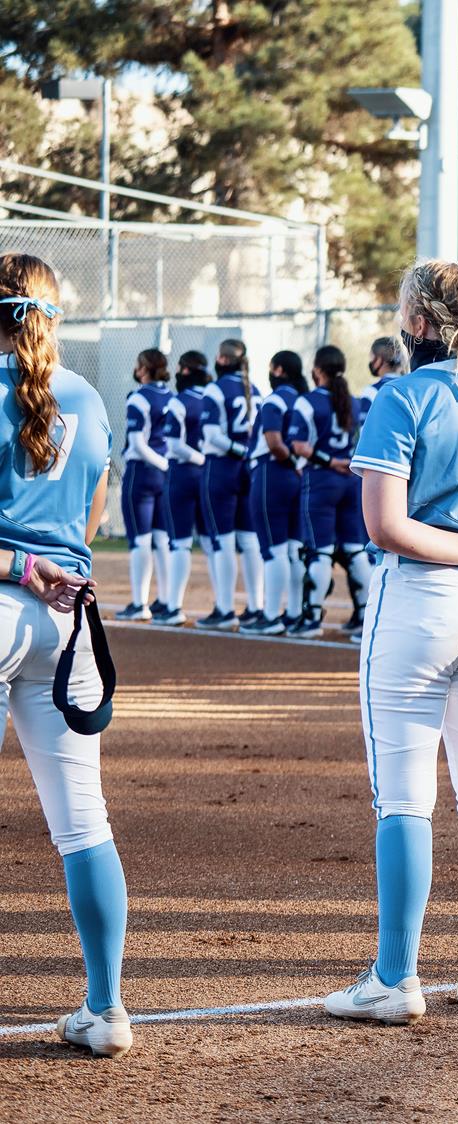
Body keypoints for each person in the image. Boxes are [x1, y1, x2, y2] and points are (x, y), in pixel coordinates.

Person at [324, 258, 458, 1024]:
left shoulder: (402, 395)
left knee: (406, 798)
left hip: (425, 596)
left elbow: (386, 526)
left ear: (418, 322)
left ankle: (395, 978)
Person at [0, 253, 129, 1056]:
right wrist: (50, 570)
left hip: (10, 601)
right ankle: (106, 1009)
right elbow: (92, 516)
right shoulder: (85, 396)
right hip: (68, 622)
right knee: (84, 827)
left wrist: (20, 566)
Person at [287, 346, 374, 638]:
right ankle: (365, 615)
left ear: (318, 370)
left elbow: (299, 446)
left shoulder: (308, 402)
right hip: (351, 480)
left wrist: (329, 460)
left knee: (319, 550)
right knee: (354, 549)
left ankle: (311, 618)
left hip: (322, 479)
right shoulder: (354, 401)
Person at [195, 339, 263, 631]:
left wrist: (239, 451)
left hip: (222, 469)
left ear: (222, 359)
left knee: (222, 540)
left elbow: (212, 437)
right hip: (249, 471)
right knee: (249, 540)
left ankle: (224, 608)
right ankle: (257, 606)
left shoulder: (214, 389)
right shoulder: (256, 389)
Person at [243, 351, 309, 635]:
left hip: (272, 473)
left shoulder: (275, 399)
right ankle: (293, 612)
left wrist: (292, 462)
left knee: (273, 549)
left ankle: (271, 614)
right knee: (293, 549)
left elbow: (274, 442)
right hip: (298, 476)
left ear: (279, 370)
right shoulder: (304, 400)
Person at [114, 348, 173, 621]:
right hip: (165, 473)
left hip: (143, 471)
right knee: (162, 538)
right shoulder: (172, 397)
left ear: (144, 368)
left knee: (140, 539)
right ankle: (166, 600)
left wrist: (160, 464)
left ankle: (140, 603)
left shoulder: (139, 397)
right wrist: (167, 466)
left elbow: (138, 443)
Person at [157, 350, 212, 626]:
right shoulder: (213, 396)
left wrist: (199, 459)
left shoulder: (180, 401)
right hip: (210, 474)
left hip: (183, 473)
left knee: (179, 543)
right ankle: (224, 607)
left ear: (186, 370)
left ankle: (174, 606)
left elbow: (175, 445)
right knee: (215, 543)